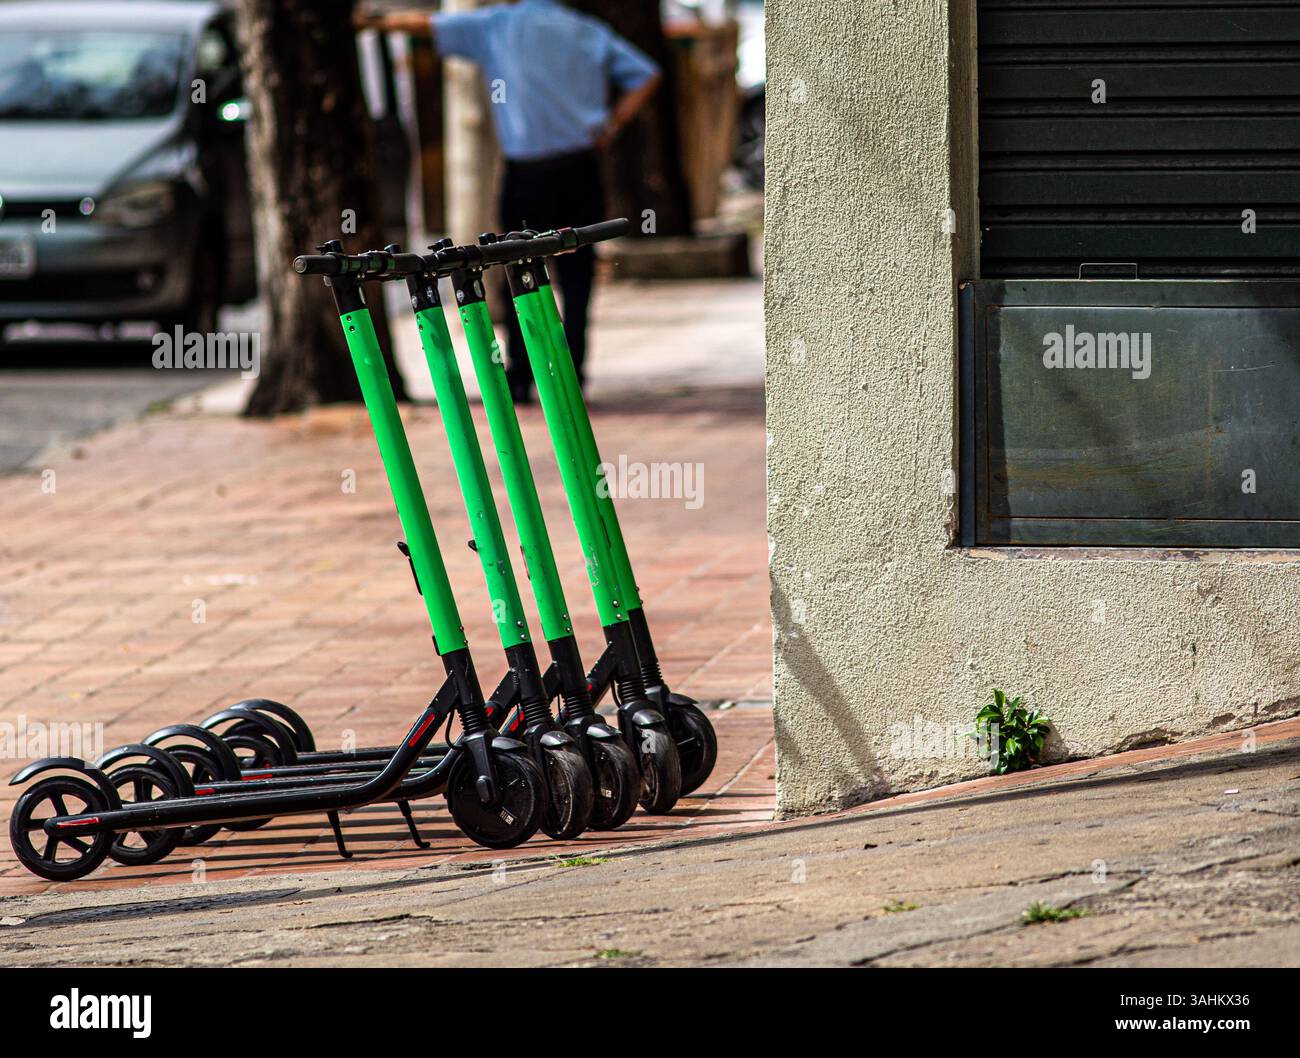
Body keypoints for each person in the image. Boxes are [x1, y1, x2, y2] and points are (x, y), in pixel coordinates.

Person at [357, 1, 663, 401]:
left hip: (527, 173)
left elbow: (425, 24)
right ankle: (571, 375)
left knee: (518, 270)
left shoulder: (499, 24)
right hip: (579, 167)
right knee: (578, 276)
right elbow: (645, 75)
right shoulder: (586, 28)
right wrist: (610, 124)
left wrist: (371, 20)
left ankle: (520, 374)